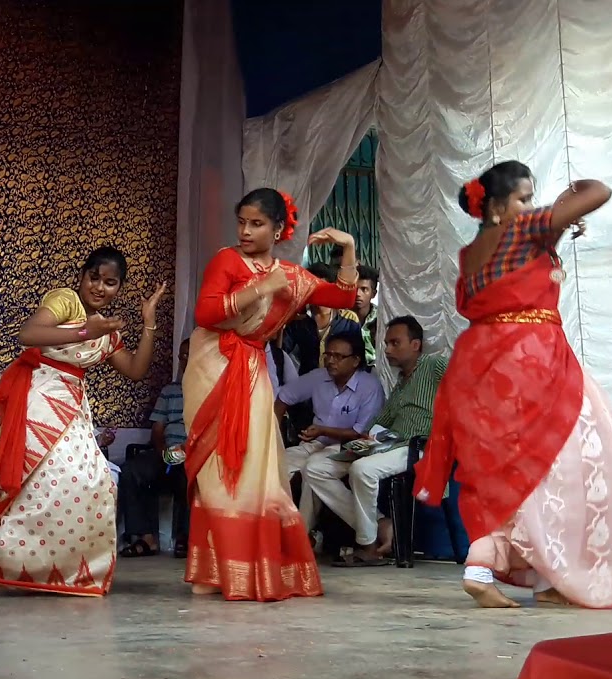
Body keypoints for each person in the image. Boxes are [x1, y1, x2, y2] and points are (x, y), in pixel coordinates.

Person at [415, 161, 612, 609]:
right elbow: (598, 189)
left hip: (481, 364)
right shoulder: (524, 227)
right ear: (501, 206)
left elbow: (524, 270)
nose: (531, 204)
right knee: (564, 467)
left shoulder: (474, 250)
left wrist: (559, 223)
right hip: (530, 358)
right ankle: (538, 571)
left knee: (500, 471)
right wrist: (569, 195)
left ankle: (503, 570)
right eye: (524, 197)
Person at [0, 248, 166, 597]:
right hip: (39, 395)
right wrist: (83, 330)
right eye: (93, 277)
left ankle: (51, 570)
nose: (99, 287)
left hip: (73, 406)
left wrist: (148, 322)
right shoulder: (66, 302)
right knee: (40, 484)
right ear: (81, 276)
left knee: (95, 481)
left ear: (119, 289)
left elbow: (136, 371)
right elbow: (29, 335)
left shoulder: (106, 330)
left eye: (110, 283)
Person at [182, 188, 358, 601]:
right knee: (218, 465)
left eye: (256, 223)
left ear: (278, 229)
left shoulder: (292, 278)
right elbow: (206, 314)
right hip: (213, 366)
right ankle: (216, 569)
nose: (245, 230)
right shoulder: (227, 260)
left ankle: (248, 569)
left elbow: (345, 298)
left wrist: (348, 247)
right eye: (241, 221)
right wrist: (262, 288)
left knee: (255, 466)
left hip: (253, 371)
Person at [289, 317, 444, 566]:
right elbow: (380, 421)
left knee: (362, 470)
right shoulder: (401, 383)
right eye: (386, 344)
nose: (387, 349)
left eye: (395, 343)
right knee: (315, 468)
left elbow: (466, 380)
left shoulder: (434, 365)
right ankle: (381, 524)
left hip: (417, 446)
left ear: (415, 345)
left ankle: (368, 545)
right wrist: (365, 439)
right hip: (386, 445)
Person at [274, 331, 383, 548]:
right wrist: (274, 437)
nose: (331, 361)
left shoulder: (369, 386)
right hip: (316, 443)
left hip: (350, 447)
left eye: (338, 356)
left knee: (312, 470)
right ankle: (285, 534)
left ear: (355, 361)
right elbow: (283, 397)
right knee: (274, 466)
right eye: (328, 355)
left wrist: (323, 429)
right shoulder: (319, 376)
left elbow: (361, 433)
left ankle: (302, 536)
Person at [118, 339, 190, 559]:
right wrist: (164, 453)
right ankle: (144, 538)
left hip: (193, 453)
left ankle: (186, 539)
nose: (185, 360)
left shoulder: (212, 391)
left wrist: (185, 451)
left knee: (191, 475)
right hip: (166, 453)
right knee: (130, 471)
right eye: (182, 356)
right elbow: (157, 430)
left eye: (190, 355)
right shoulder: (170, 391)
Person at [355, 266, 379, 368]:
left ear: (373, 294)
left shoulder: (381, 318)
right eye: (354, 289)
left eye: (364, 289)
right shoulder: (340, 317)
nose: (357, 294)